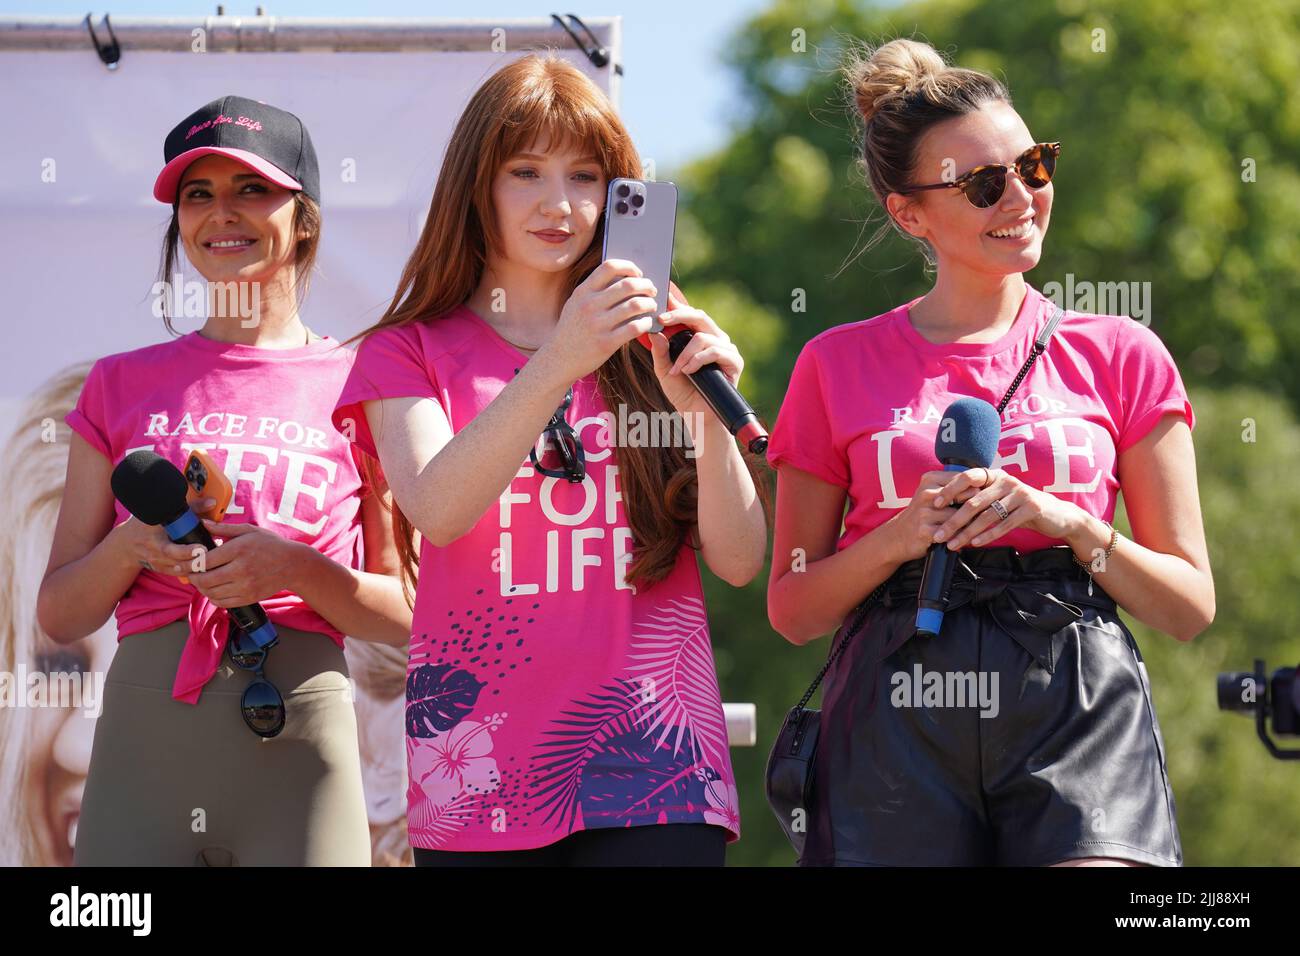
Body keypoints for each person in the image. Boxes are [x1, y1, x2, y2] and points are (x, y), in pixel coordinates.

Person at [765, 38, 1213, 867]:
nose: (1022, 196)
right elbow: (793, 609)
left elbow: (1189, 606)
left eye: (1033, 166)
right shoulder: (834, 362)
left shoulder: (1124, 351)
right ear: (910, 214)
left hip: (1076, 701)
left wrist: (1070, 525)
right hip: (895, 711)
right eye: (983, 183)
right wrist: (902, 535)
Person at [332, 53, 769, 866]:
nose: (559, 203)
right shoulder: (408, 351)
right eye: (524, 172)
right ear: (477, 188)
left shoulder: (654, 334)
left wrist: (705, 424)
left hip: (658, 757)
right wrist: (561, 358)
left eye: (586, 176)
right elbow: (437, 507)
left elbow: (742, 562)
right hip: (477, 766)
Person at [39, 95, 412, 866]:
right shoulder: (116, 385)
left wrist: (294, 569)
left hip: (302, 739)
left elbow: (406, 613)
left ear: (304, 217)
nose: (222, 214)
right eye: (197, 195)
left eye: (251, 190)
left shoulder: (365, 385)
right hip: (144, 747)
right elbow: (60, 612)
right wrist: (133, 548)